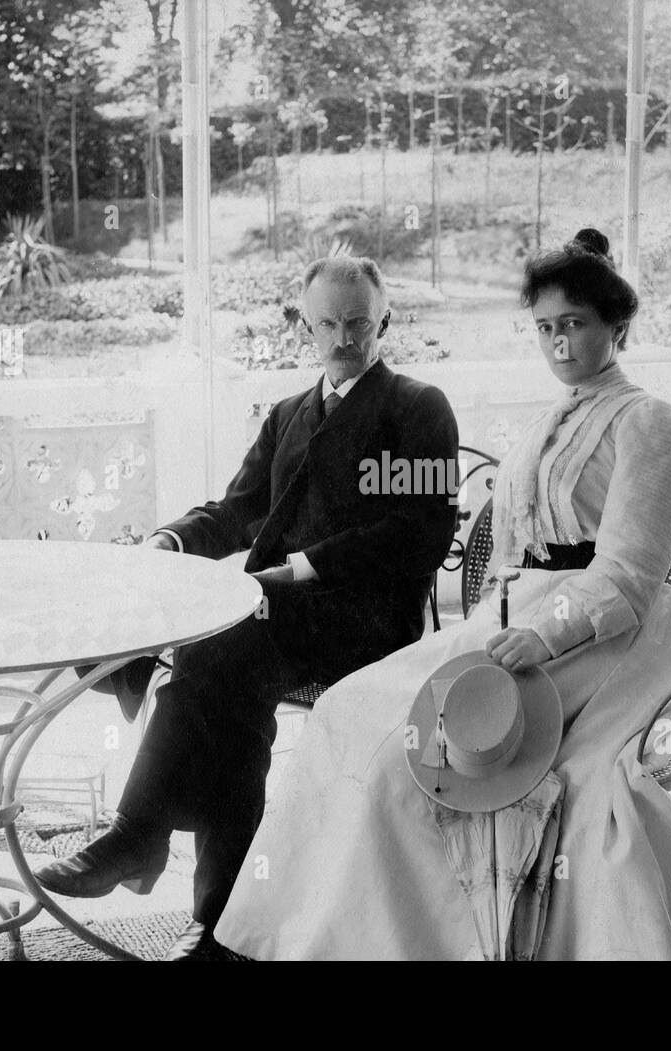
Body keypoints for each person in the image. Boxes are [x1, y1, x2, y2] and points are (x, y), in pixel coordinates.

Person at [212, 228, 671, 960]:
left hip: (605, 640)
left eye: (575, 325)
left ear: (618, 325)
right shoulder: (554, 418)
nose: (559, 344)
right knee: (342, 712)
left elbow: (630, 577)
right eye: (546, 328)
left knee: (411, 759)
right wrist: (490, 620)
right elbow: (513, 551)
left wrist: (542, 635)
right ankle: (304, 936)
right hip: (512, 617)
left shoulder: (650, 423)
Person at [35, 256, 460, 961]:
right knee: (224, 691)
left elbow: (421, 530)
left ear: (384, 321)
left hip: (368, 624)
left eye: (359, 322)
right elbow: (237, 510)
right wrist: (171, 538)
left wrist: (304, 564)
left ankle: (139, 833)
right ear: (305, 326)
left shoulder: (418, 406)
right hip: (278, 620)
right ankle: (219, 927)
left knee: (219, 645)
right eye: (328, 323)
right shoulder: (291, 414)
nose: (344, 338)